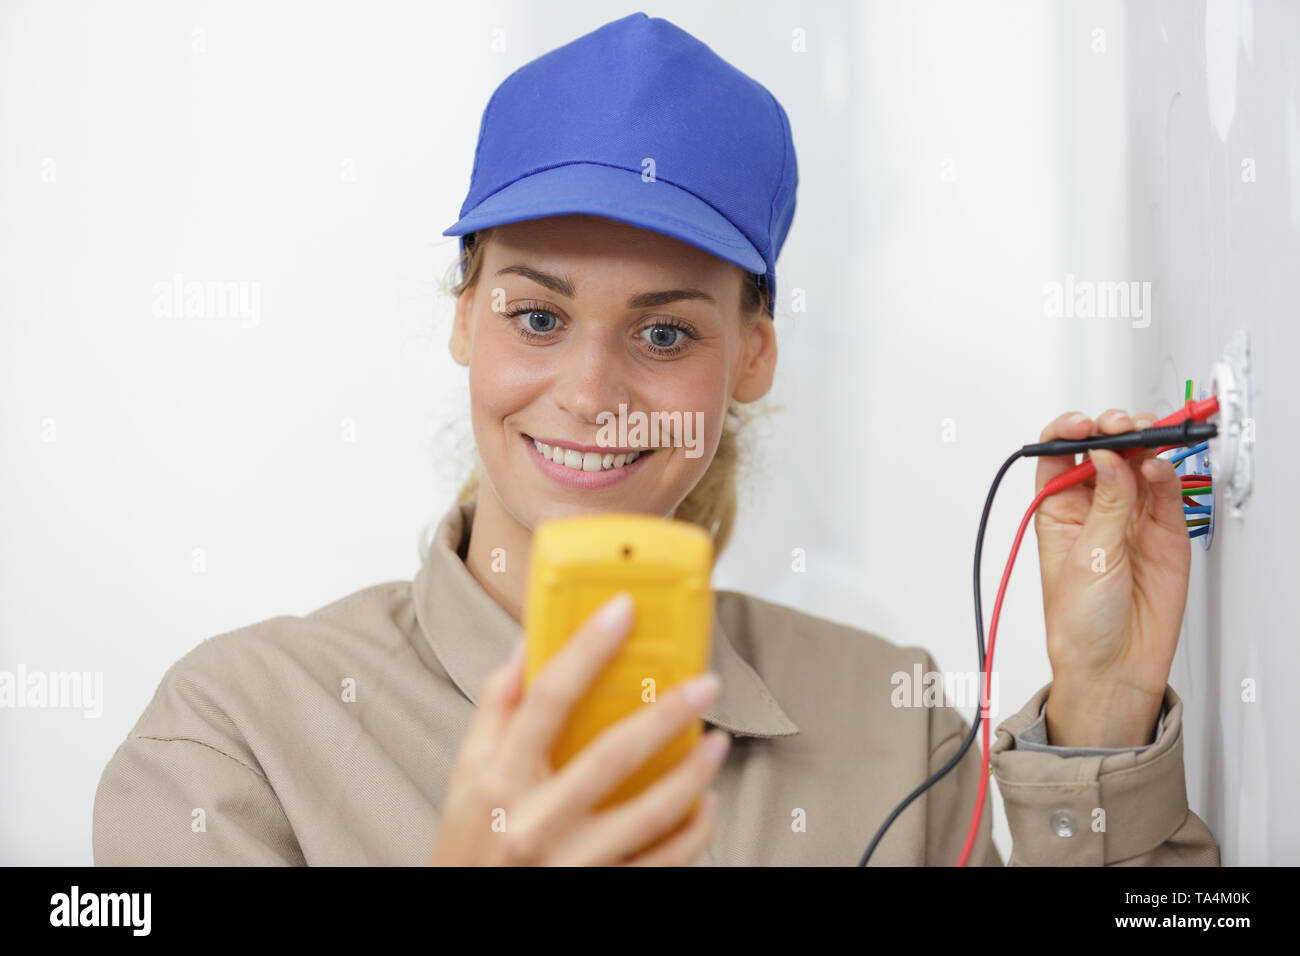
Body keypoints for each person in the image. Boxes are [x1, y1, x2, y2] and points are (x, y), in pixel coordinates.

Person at [93, 12, 1219, 866]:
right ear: (461, 316)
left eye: (665, 330)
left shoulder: (892, 724)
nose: (591, 391)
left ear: (753, 354)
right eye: (537, 315)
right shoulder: (236, 732)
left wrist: (1103, 716)